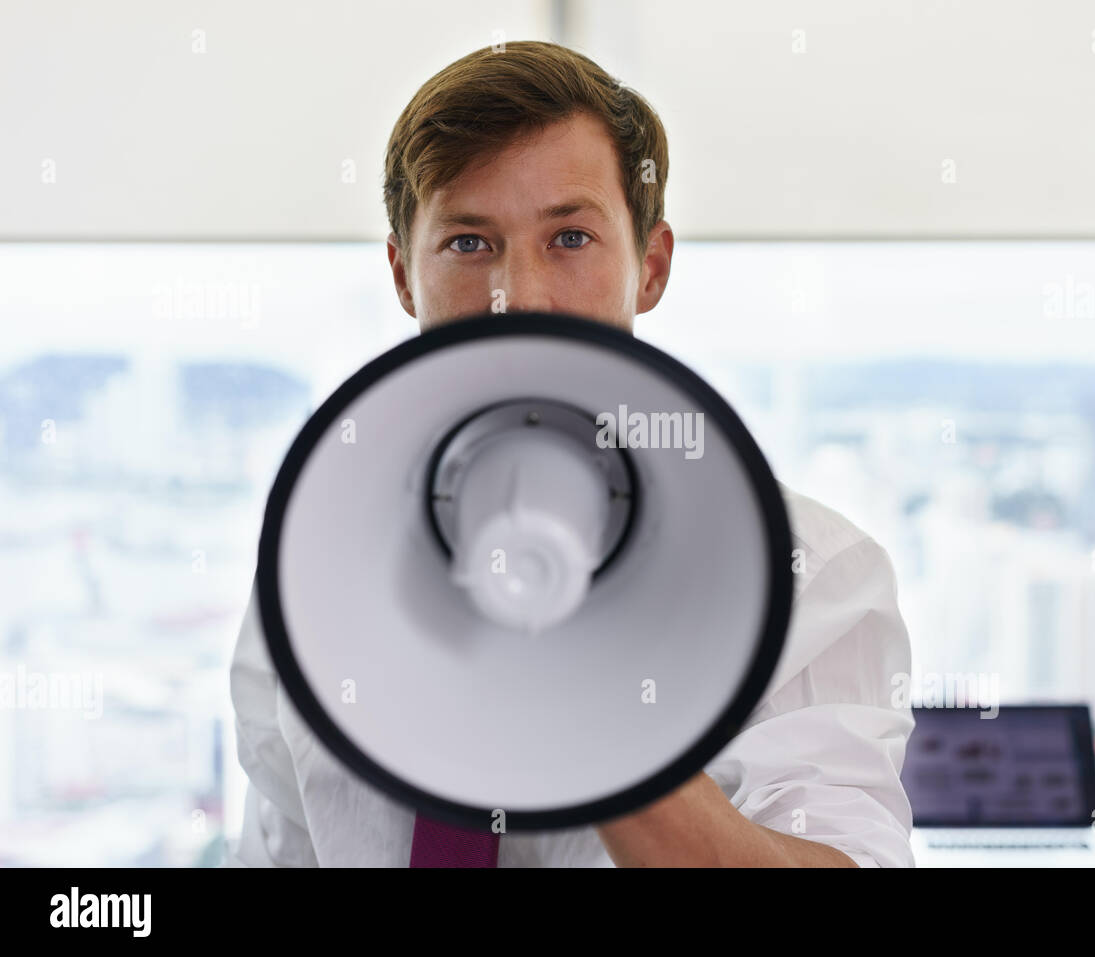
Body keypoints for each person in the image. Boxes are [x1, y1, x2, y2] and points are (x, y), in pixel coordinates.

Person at [228, 39, 914, 868]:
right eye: (469, 244)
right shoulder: (313, 574)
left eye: (572, 238)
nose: (521, 296)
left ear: (650, 266)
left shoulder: (806, 572)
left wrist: (585, 675)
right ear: (403, 275)